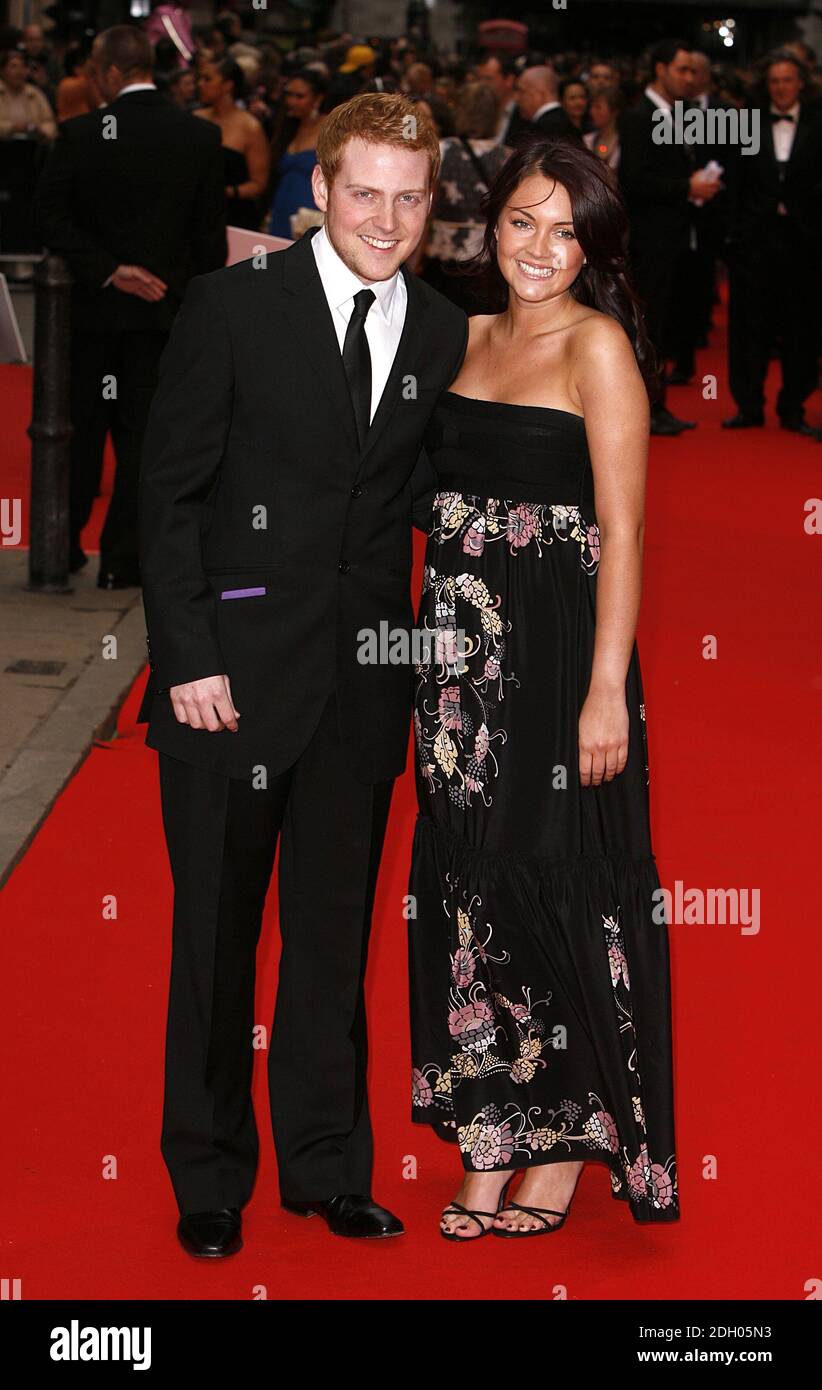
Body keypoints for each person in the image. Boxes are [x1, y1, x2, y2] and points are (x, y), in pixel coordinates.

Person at [135, 90, 468, 1256]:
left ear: (433, 206)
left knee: (332, 940)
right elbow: (167, 496)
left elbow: (414, 494)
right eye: (364, 192)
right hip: (226, 681)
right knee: (217, 943)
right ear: (318, 189)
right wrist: (188, 658)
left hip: (362, 683)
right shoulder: (233, 308)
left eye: (410, 199)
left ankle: (326, 1165)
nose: (386, 219)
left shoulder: (436, 327)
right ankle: (210, 1174)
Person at [407, 138, 680, 1238]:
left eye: (567, 231)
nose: (540, 248)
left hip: (562, 657)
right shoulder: (462, 337)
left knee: (556, 877)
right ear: (491, 225)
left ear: (593, 249)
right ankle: (489, 1136)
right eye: (525, 220)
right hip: (455, 667)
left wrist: (607, 686)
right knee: (470, 886)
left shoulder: (598, 347)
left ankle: (566, 1145)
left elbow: (626, 528)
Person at [33, 25, 226, 584]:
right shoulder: (199, 137)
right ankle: (122, 563)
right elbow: (209, 243)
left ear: (111, 73)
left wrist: (109, 270)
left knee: (76, 432)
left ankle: (59, 551)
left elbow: (47, 218)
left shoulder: (80, 133)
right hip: (164, 320)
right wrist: (171, 287)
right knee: (147, 443)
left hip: (91, 319)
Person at [618, 39, 722, 435]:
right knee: (648, 324)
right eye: (681, 70)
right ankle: (644, 408)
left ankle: (654, 405)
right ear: (659, 69)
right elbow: (634, 180)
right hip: (651, 240)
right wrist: (686, 186)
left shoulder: (675, 114)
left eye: (693, 71)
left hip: (675, 237)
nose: (689, 77)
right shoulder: (639, 116)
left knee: (660, 323)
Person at [723, 50, 822, 438]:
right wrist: (734, 236)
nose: (781, 87)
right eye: (774, 81)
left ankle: (793, 406)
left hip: (806, 242)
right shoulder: (748, 125)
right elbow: (734, 183)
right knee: (749, 326)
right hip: (755, 241)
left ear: (801, 83)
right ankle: (748, 406)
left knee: (802, 326)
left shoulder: (818, 123)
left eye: (788, 80)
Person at [417, 80, 510, 313]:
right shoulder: (507, 158)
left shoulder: (443, 150)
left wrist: (416, 255)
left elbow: (428, 206)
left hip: (442, 253)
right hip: (486, 257)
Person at [194, 56, 270, 232]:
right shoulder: (196, 117)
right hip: (196, 211)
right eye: (200, 78)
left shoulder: (250, 127)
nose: (200, 84)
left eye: (207, 79)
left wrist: (226, 192)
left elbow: (259, 183)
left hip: (234, 217)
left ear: (228, 85)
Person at [267, 67, 325, 237]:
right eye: (289, 95)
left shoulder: (332, 128)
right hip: (281, 211)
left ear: (318, 99)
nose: (291, 101)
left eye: (299, 96)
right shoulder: (287, 127)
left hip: (313, 217)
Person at [515, 65, 584, 146]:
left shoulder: (541, 131)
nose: (517, 98)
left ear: (539, 94)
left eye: (522, 91)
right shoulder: (568, 124)